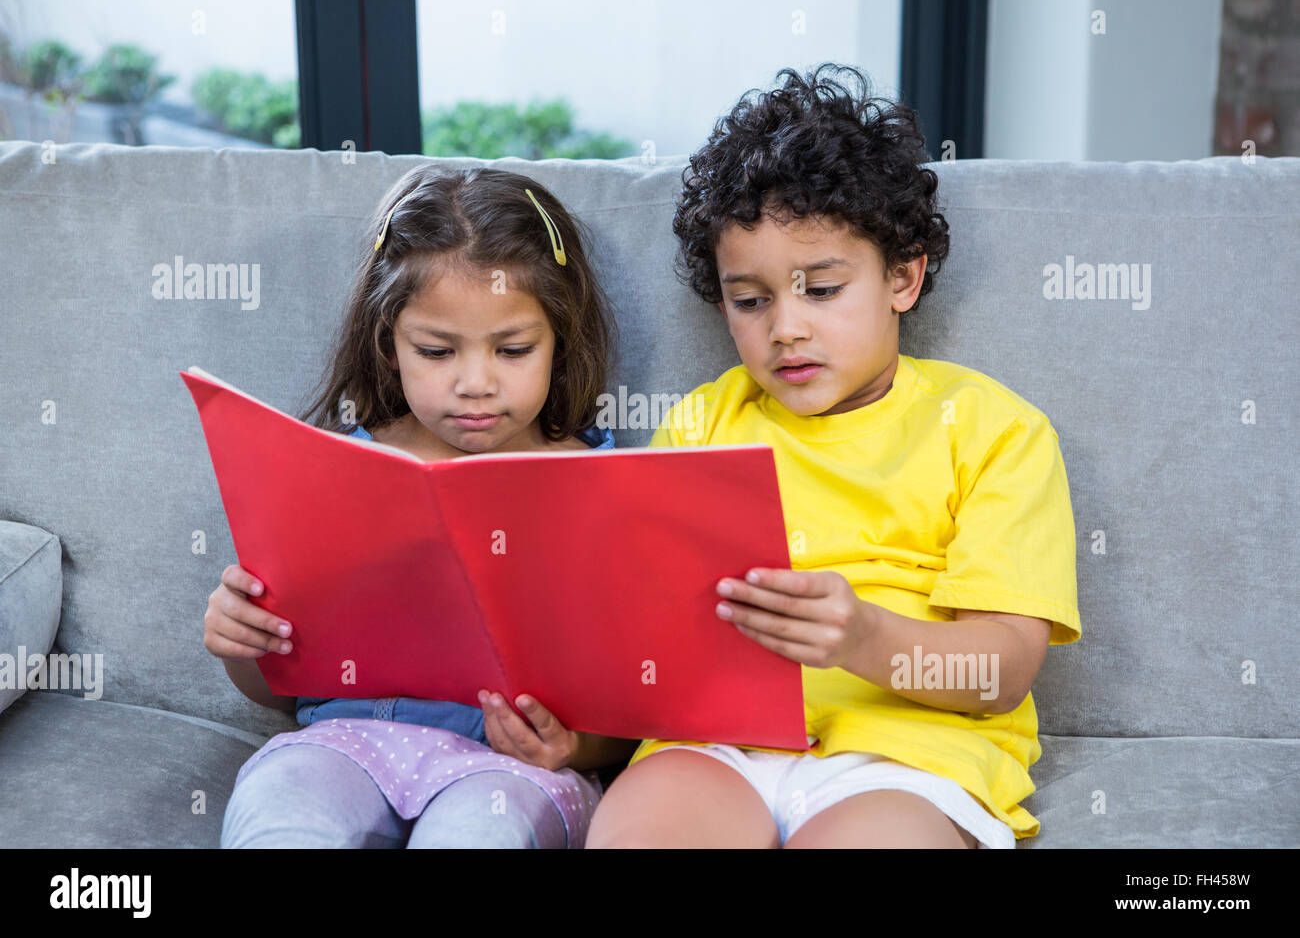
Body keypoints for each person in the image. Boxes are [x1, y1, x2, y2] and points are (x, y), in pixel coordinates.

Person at [587, 62, 1082, 849]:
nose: (785, 328)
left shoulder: (993, 430)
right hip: (715, 746)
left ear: (903, 277)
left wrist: (865, 640)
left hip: (909, 756)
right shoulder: (702, 423)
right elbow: (639, 632)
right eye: (751, 301)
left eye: (820, 289)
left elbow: (999, 675)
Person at [209, 164, 639, 847]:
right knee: (280, 815)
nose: (475, 383)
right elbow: (280, 691)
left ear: (560, 342)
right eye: (437, 351)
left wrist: (575, 749)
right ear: (390, 344)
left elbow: (639, 700)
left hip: (509, 771)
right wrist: (242, 643)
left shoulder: (603, 483)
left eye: (514, 348)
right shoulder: (331, 473)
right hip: (344, 745)